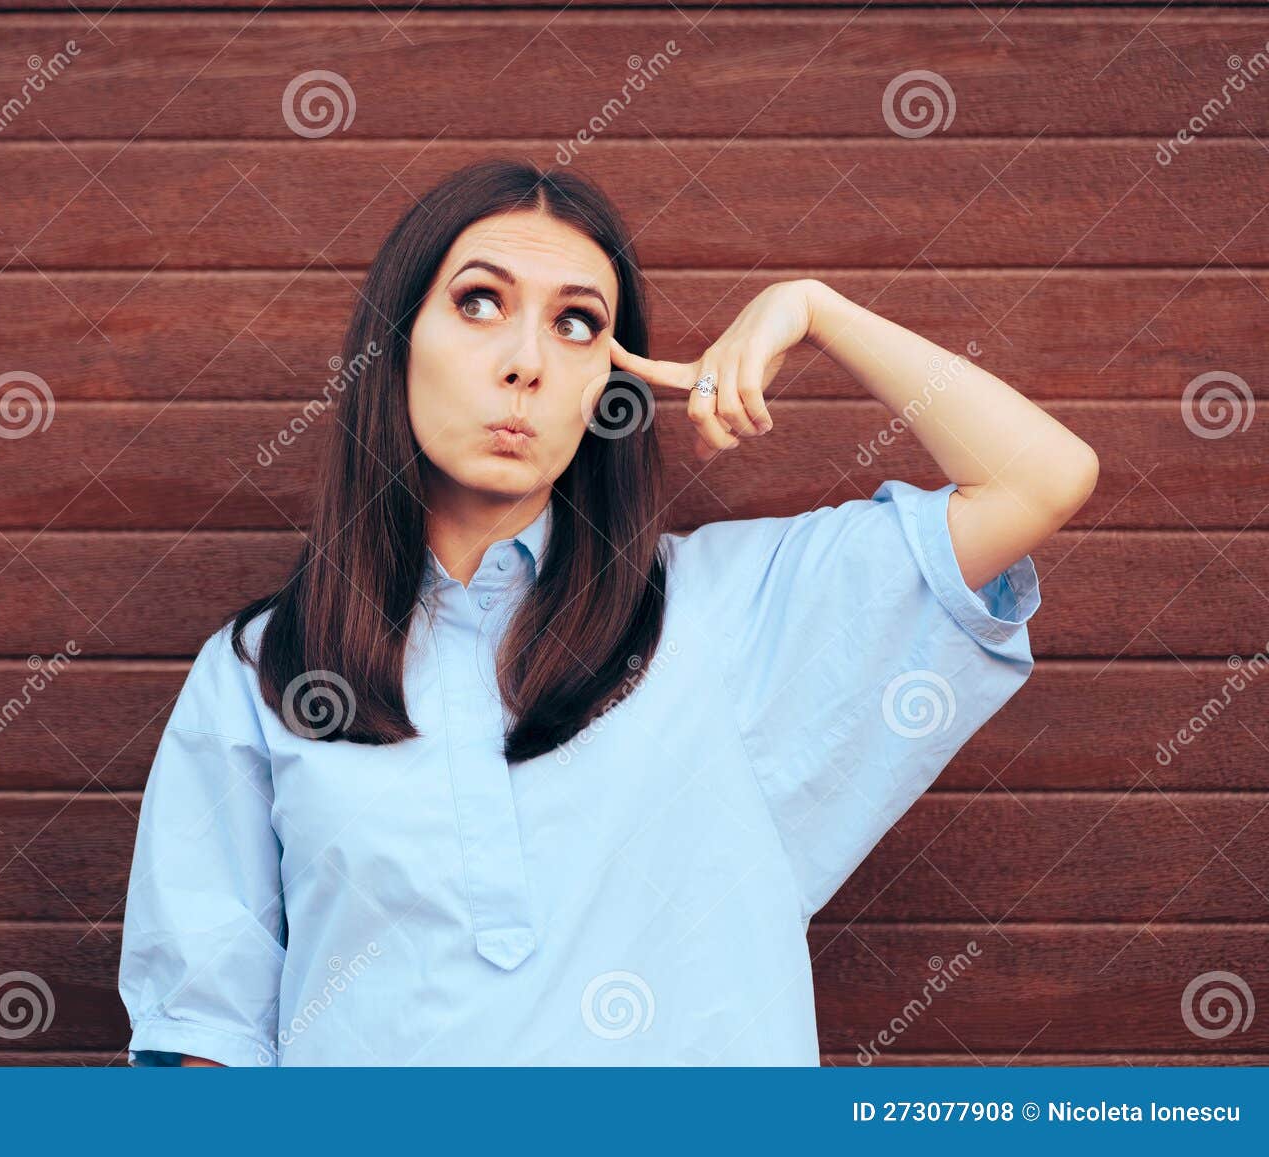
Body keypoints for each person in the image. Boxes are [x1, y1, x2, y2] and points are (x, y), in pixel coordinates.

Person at [116, 157, 1098, 1066]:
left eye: (577, 323)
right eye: (478, 303)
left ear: (608, 384)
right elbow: (206, 1040)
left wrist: (813, 309)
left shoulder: (725, 613)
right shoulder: (262, 668)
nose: (525, 362)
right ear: (394, 342)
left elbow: (1043, 476)